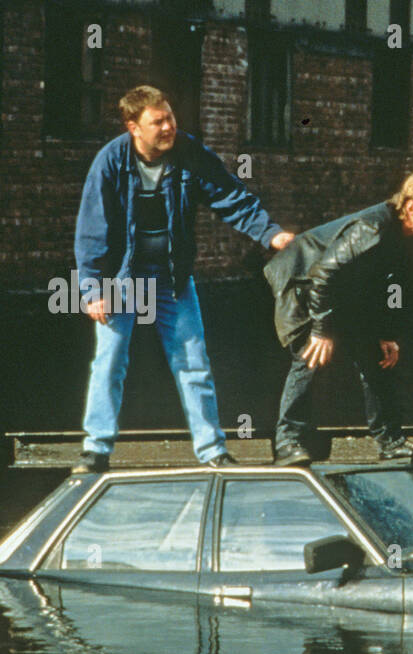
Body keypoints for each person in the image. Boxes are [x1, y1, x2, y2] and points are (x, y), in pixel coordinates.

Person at [72, 85, 294, 473]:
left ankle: (212, 451)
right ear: (133, 128)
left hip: (171, 277)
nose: (168, 126)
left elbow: (230, 195)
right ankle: (96, 450)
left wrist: (270, 233)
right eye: (157, 122)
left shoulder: (189, 154)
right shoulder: (109, 162)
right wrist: (91, 289)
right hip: (121, 279)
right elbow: (91, 230)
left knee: (193, 362)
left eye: (170, 117)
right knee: (109, 362)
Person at [263, 165, 413, 466]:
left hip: (340, 290)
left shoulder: (409, 236)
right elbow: (323, 274)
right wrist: (322, 330)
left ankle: (391, 443)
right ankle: (287, 443)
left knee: (375, 357)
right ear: (412, 208)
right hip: (303, 282)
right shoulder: (372, 228)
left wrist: (387, 334)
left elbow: (387, 286)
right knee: (310, 357)